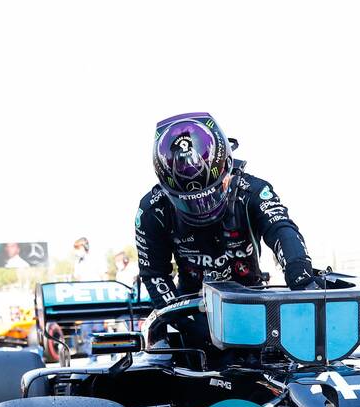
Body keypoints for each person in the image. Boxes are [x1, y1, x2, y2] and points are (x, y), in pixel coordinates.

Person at [134, 112, 320, 311]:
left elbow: (281, 230)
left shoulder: (252, 192)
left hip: (252, 306)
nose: (202, 207)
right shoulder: (153, 210)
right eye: (191, 202)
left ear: (226, 169)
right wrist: (174, 312)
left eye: (209, 194)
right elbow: (154, 273)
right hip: (191, 309)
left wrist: (299, 276)